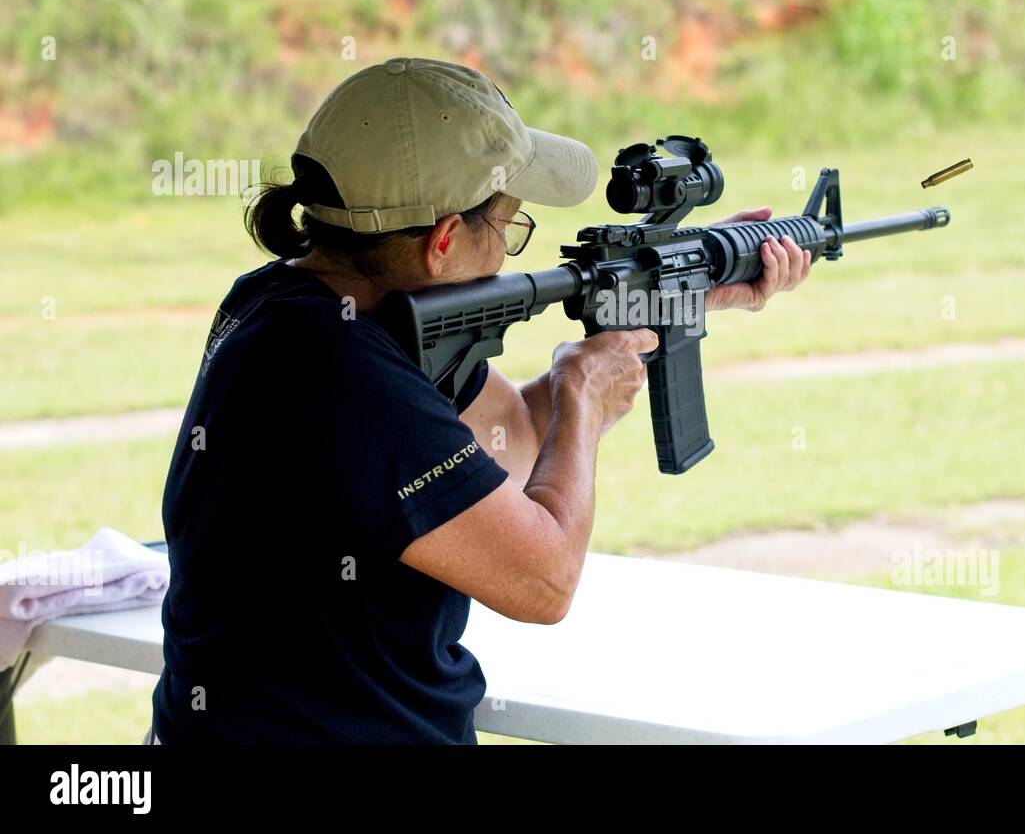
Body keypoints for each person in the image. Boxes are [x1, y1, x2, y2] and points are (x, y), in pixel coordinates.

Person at [149, 57, 811, 743]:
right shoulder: (344, 372)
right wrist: (583, 395)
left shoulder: (284, 304)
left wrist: (666, 302)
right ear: (443, 242)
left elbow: (514, 433)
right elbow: (544, 581)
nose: (507, 251)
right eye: (507, 226)